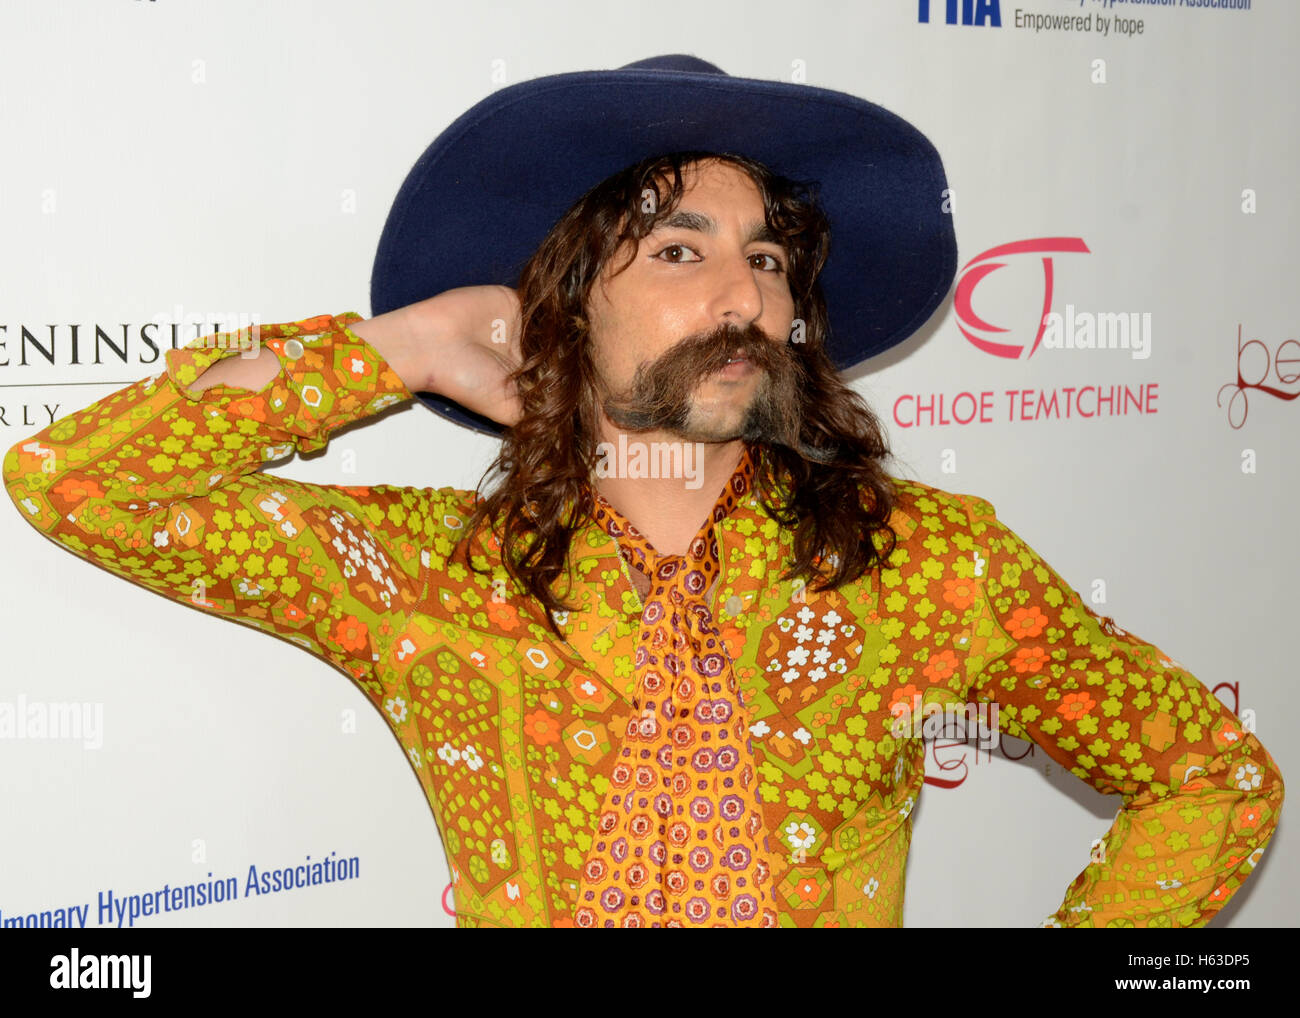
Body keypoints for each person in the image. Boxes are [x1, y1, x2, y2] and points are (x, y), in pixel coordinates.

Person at [3, 56, 1283, 929]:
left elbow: (1213, 775)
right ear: (563, 305)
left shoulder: (928, 564)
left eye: (769, 259)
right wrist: (393, 347)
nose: (747, 297)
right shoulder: (436, 571)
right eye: (680, 251)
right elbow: (74, 484)